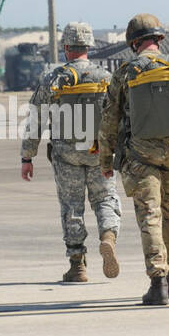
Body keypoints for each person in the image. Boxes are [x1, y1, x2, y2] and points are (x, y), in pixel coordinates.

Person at [98, 13, 169, 305]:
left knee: (151, 216)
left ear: (134, 43)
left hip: (141, 155)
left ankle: (157, 283)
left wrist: (105, 161)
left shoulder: (126, 71)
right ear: (159, 39)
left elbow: (110, 119)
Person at [21, 22, 121, 282]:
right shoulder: (106, 77)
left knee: (72, 206)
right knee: (105, 199)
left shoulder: (54, 79)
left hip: (66, 154)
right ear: (88, 46)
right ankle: (108, 235)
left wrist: (27, 156)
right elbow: (121, 115)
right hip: (100, 151)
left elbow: (36, 120)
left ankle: (77, 265)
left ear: (66, 47)